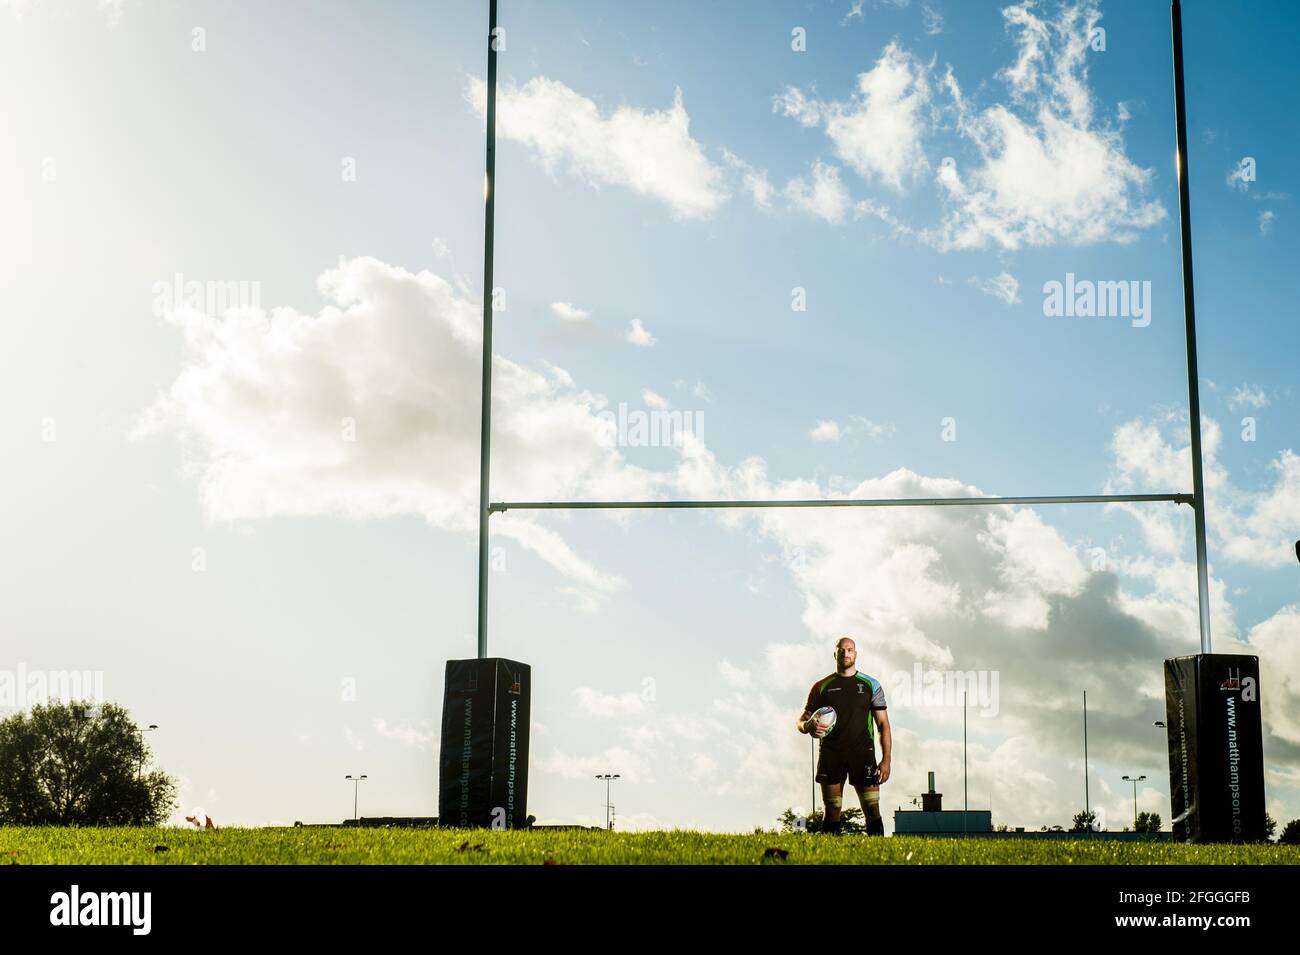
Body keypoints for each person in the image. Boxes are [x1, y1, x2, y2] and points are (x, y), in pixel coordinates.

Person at [796, 637, 891, 835]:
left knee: (872, 808)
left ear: (855, 654)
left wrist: (886, 760)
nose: (845, 653)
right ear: (835, 654)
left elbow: (883, 725)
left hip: (863, 753)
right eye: (841, 650)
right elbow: (802, 721)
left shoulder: (870, 684)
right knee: (832, 809)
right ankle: (831, 856)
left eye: (849, 650)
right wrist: (808, 726)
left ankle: (880, 853)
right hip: (831, 753)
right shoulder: (821, 687)